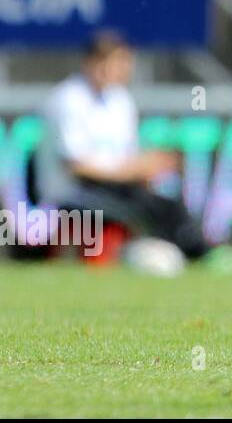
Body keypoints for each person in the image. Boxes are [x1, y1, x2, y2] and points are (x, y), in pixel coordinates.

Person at [35, 32, 202, 272]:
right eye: (111, 62)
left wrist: (148, 167)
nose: (118, 70)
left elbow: (126, 158)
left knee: (165, 201)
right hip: (71, 193)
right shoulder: (68, 99)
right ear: (90, 63)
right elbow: (77, 166)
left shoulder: (120, 100)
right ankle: (187, 252)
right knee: (147, 205)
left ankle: (190, 251)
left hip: (113, 185)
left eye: (123, 63)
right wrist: (131, 171)